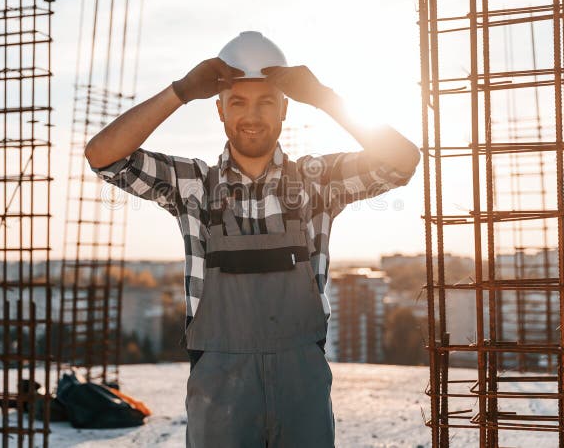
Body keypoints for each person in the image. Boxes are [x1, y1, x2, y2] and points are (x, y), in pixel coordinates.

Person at [85, 31, 420, 447]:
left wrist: (324, 97)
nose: (252, 115)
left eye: (266, 101)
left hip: (303, 388)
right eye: (238, 102)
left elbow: (402, 161)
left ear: (284, 110)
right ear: (220, 112)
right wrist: (180, 92)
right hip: (219, 391)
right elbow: (103, 156)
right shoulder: (193, 186)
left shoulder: (318, 182)